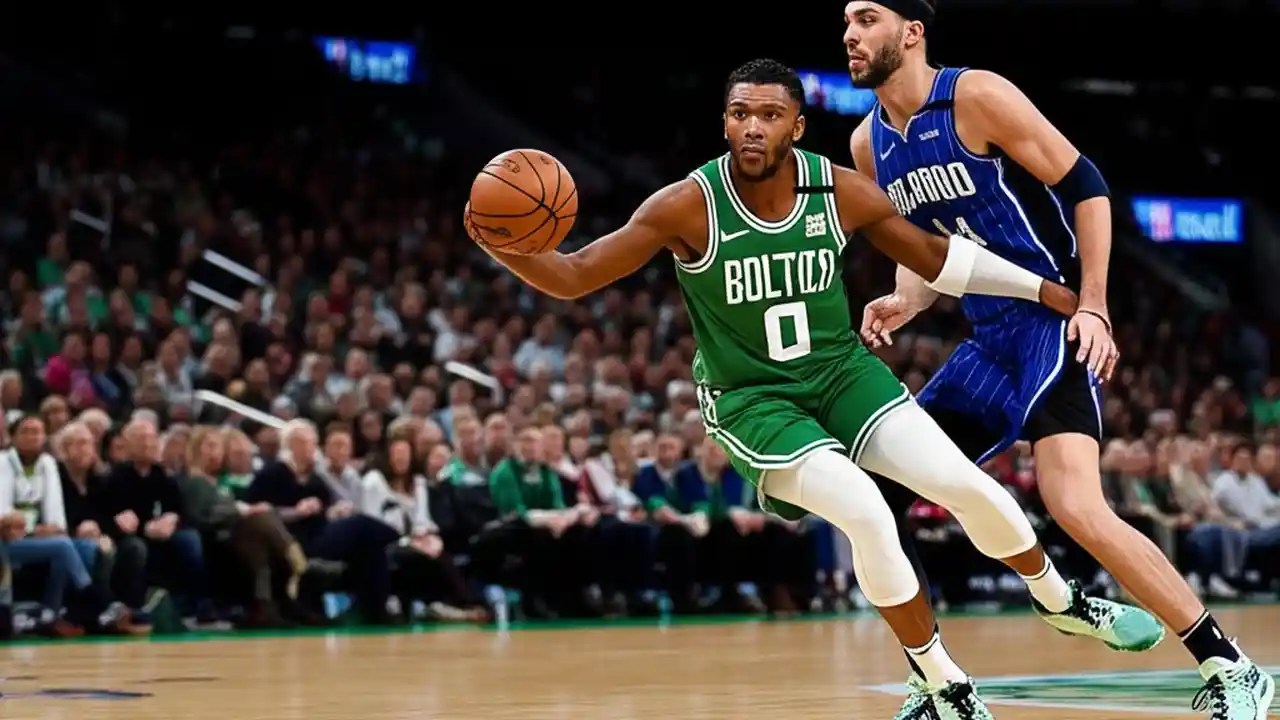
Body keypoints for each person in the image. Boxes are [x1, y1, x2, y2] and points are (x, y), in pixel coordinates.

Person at [465, 57, 1159, 718]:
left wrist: (1046, 290)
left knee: (965, 485)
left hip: (840, 372)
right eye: (740, 114)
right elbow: (576, 273)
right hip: (753, 400)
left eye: (770, 114)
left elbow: (934, 258)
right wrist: (499, 242)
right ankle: (946, 683)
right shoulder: (687, 205)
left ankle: (1058, 597)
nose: (754, 127)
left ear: (797, 126)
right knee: (866, 509)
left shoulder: (840, 190)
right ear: (726, 124)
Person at [844, 2, 1275, 718]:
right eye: (846, 24)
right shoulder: (868, 144)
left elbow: (1088, 187)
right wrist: (904, 300)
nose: (851, 36)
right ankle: (942, 688)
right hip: (985, 337)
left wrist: (1094, 305)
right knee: (873, 499)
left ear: (912, 32)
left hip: (1051, 319)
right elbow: (927, 253)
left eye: (866, 19)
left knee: (1075, 503)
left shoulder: (975, 95)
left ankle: (1232, 667)